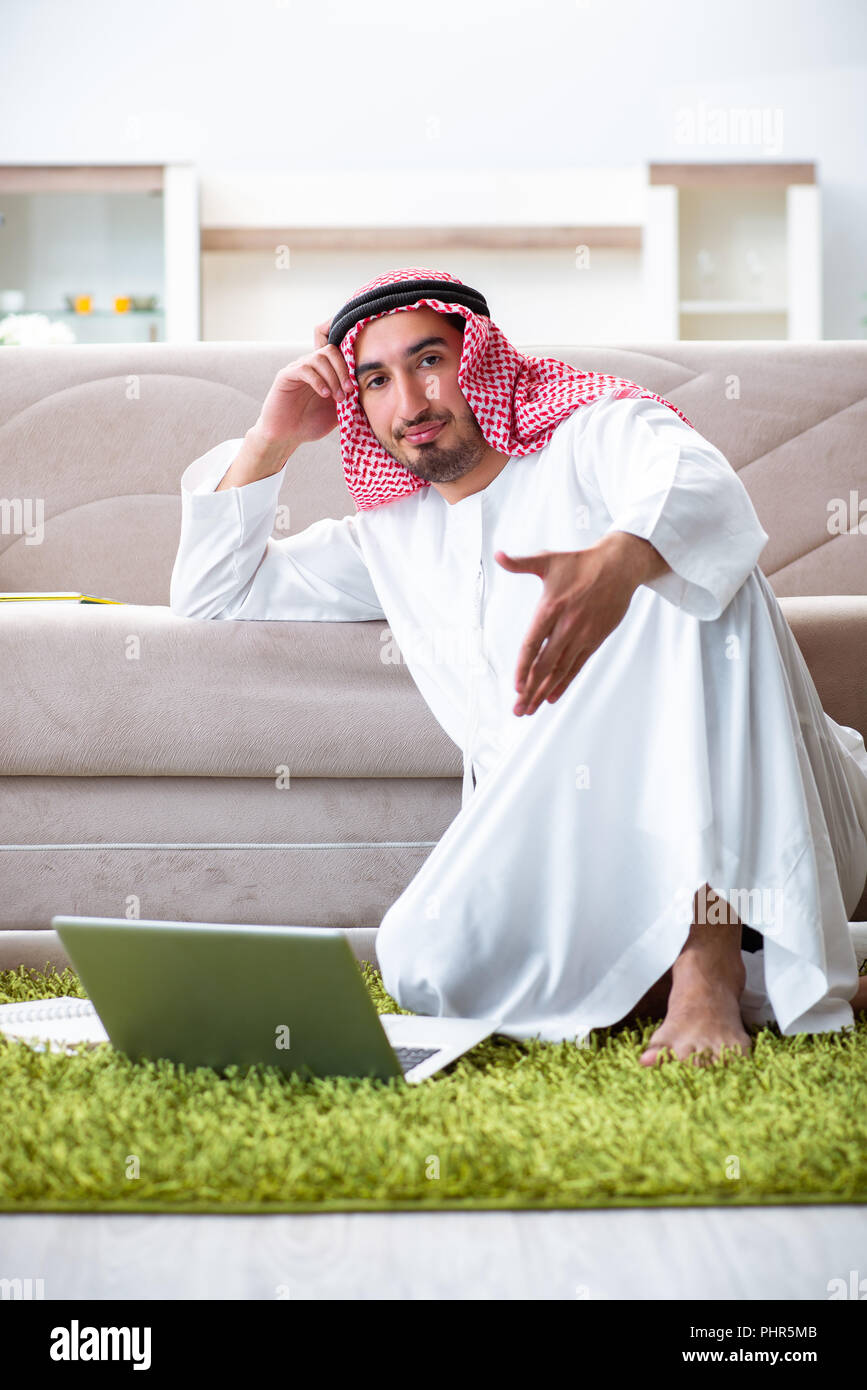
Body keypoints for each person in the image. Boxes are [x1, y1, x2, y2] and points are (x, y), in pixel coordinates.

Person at [170, 267, 867, 1067]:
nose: (410, 402)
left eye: (427, 361)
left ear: (479, 361)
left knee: (693, 576)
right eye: (375, 380)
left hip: (779, 805)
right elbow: (214, 588)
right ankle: (741, 969)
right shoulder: (389, 537)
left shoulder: (592, 432)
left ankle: (708, 960)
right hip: (571, 838)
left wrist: (619, 563)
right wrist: (274, 437)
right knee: (424, 963)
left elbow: (702, 491)